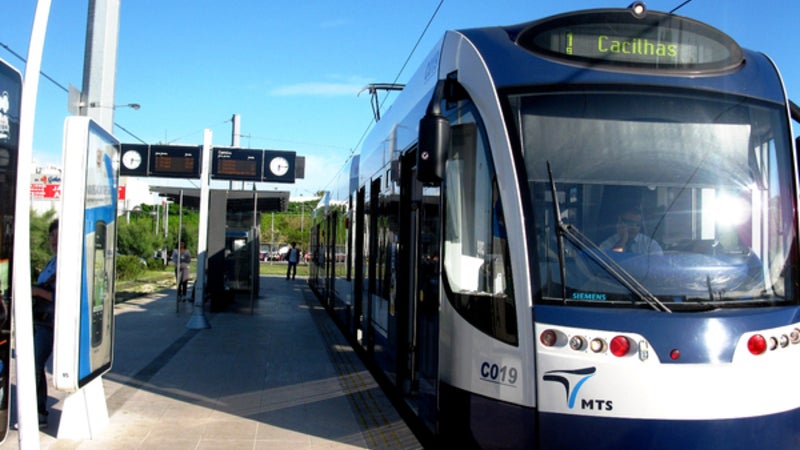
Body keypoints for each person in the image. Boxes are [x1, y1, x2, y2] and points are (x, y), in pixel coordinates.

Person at [30, 219, 58, 428]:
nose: (55, 240)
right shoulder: (52, 262)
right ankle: (36, 410)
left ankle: (38, 412)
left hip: (51, 324)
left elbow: (64, 297)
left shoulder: (67, 263)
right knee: (34, 366)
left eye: (59, 236)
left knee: (35, 365)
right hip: (40, 321)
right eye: (52, 236)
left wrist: (37, 291)